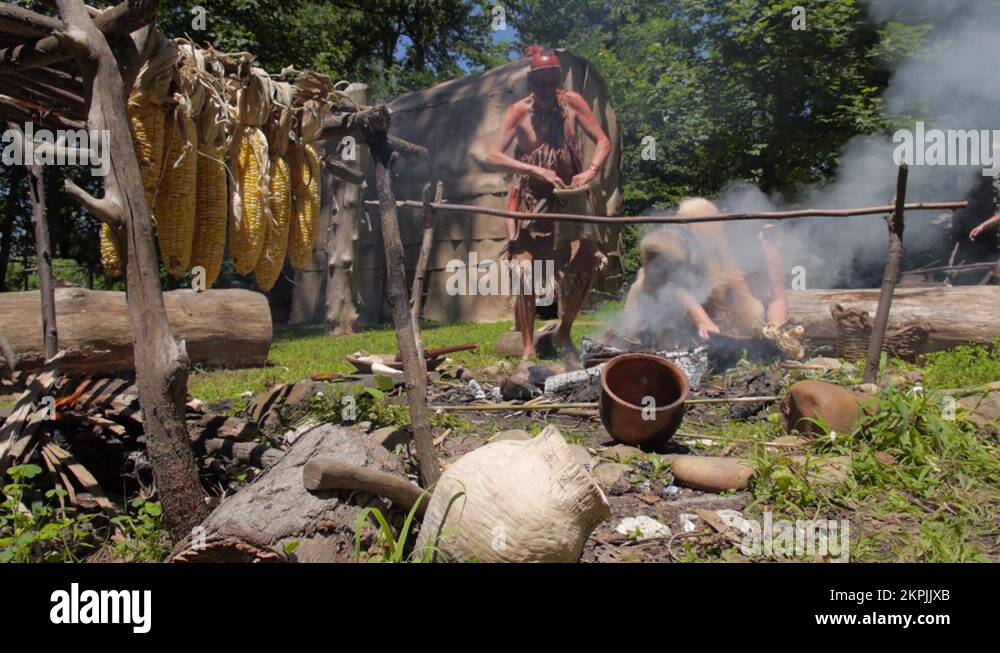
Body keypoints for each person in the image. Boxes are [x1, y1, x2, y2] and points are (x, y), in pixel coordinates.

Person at [486, 45, 613, 366]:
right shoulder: (520, 112)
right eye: (539, 81)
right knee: (525, 273)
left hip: (570, 204)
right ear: (531, 81)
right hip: (533, 207)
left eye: (550, 80)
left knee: (590, 264)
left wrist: (591, 170)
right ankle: (528, 348)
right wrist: (533, 169)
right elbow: (493, 155)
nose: (544, 87)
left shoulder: (572, 104)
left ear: (557, 78)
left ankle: (564, 331)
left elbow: (603, 141)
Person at [623, 198, 788, 350]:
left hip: (726, 318)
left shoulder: (763, 248)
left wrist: (775, 330)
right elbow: (674, 283)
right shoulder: (688, 237)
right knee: (644, 279)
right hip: (676, 312)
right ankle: (643, 344)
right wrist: (703, 320)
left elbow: (776, 296)